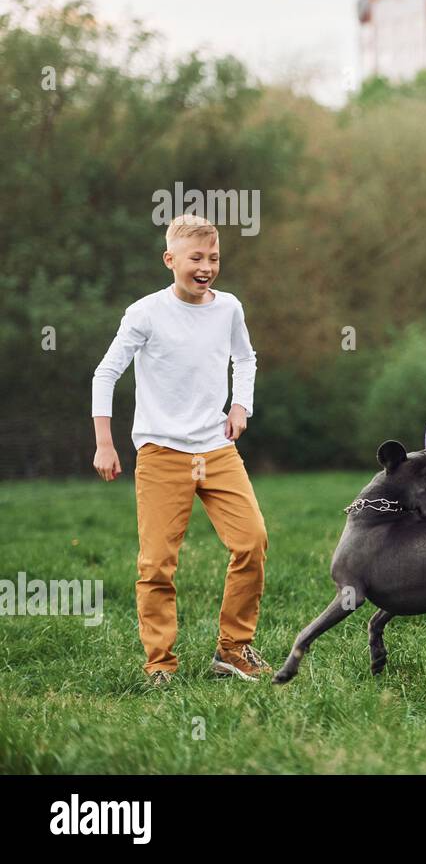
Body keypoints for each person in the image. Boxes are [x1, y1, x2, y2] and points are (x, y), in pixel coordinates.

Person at [91, 214, 271, 686]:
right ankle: (160, 665)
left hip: (217, 449)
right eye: (196, 258)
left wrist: (240, 406)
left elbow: (245, 358)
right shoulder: (145, 313)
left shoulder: (229, 307)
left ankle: (233, 649)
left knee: (251, 542)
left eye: (213, 258)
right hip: (161, 453)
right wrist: (105, 443)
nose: (206, 266)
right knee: (156, 565)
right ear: (171, 260)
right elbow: (105, 373)